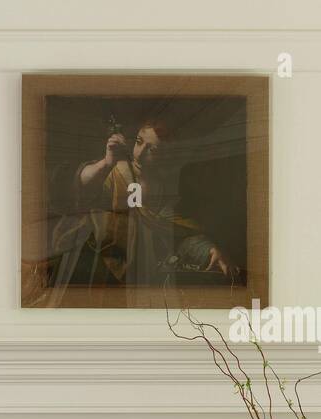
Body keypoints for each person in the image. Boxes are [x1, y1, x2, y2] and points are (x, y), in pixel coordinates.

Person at [50, 118, 238, 290]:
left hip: (143, 272)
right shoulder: (115, 171)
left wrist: (209, 249)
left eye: (152, 150)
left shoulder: (163, 188)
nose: (139, 154)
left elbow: (176, 231)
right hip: (100, 261)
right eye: (139, 143)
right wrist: (106, 164)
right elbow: (79, 190)